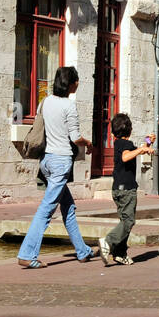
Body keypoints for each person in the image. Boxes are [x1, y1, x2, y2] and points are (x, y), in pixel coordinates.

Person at [17, 66, 98, 268]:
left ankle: (82, 251)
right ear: (70, 83)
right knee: (46, 209)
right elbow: (74, 137)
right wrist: (88, 143)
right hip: (61, 161)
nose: (78, 83)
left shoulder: (45, 102)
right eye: (76, 80)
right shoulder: (69, 106)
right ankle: (27, 254)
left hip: (46, 161)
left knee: (68, 207)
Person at [99, 112, 154, 266]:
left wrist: (148, 143)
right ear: (129, 129)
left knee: (124, 221)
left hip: (117, 189)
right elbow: (126, 156)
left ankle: (119, 253)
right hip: (126, 190)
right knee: (129, 221)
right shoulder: (126, 146)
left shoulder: (118, 143)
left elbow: (136, 150)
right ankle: (108, 241)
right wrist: (142, 150)